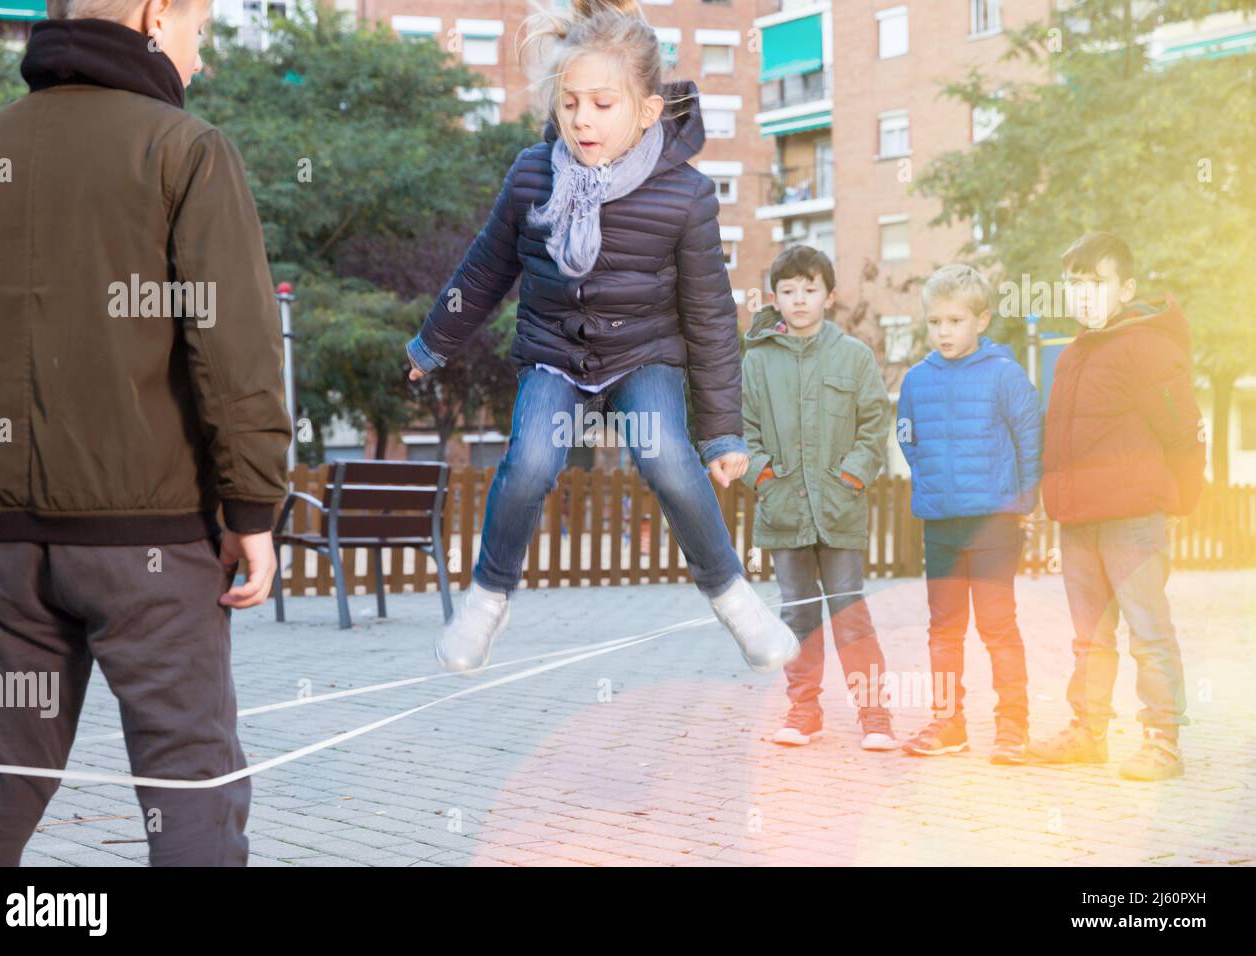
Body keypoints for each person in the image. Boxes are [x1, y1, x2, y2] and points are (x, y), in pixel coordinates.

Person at [0, 0, 290, 864]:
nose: (202, 59)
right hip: (152, 545)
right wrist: (254, 508)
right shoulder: (184, 150)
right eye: (201, 33)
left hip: (8, 548)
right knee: (187, 776)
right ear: (154, 14)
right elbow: (233, 345)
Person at [407, 0, 799, 676]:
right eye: (569, 103)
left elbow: (709, 316)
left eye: (601, 104)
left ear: (647, 112)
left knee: (668, 460)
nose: (582, 119)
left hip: (645, 356)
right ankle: (486, 600)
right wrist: (432, 342)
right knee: (529, 461)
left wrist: (725, 434)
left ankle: (735, 598)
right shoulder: (534, 173)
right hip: (555, 355)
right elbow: (487, 267)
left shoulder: (686, 196)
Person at [1029, 232, 1205, 781]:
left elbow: (1182, 431)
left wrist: (1179, 499)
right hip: (1079, 520)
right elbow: (1059, 437)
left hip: (1133, 518)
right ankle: (1089, 732)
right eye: (1075, 284)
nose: (1084, 294)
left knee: (1149, 631)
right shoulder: (1072, 354)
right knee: (1089, 635)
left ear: (1125, 287)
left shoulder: (1148, 348)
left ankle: (1162, 740)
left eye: (1096, 283)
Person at [742, 245, 898, 751]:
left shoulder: (852, 356)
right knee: (798, 614)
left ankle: (874, 716)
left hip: (840, 511)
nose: (799, 299)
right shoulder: (757, 361)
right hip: (783, 512)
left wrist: (851, 479)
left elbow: (874, 426)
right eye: (788, 291)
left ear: (829, 296)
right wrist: (764, 478)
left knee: (850, 612)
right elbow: (741, 431)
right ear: (775, 297)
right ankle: (804, 710)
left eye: (810, 290)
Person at [895, 265, 1042, 764]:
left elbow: (1029, 438)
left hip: (995, 523)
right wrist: (936, 485)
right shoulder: (916, 380)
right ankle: (947, 722)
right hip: (940, 524)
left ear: (981, 320)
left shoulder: (1005, 375)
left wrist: (1022, 500)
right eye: (935, 321)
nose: (943, 331)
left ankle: (1013, 726)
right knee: (944, 628)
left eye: (955, 321)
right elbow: (908, 439)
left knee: (998, 626)